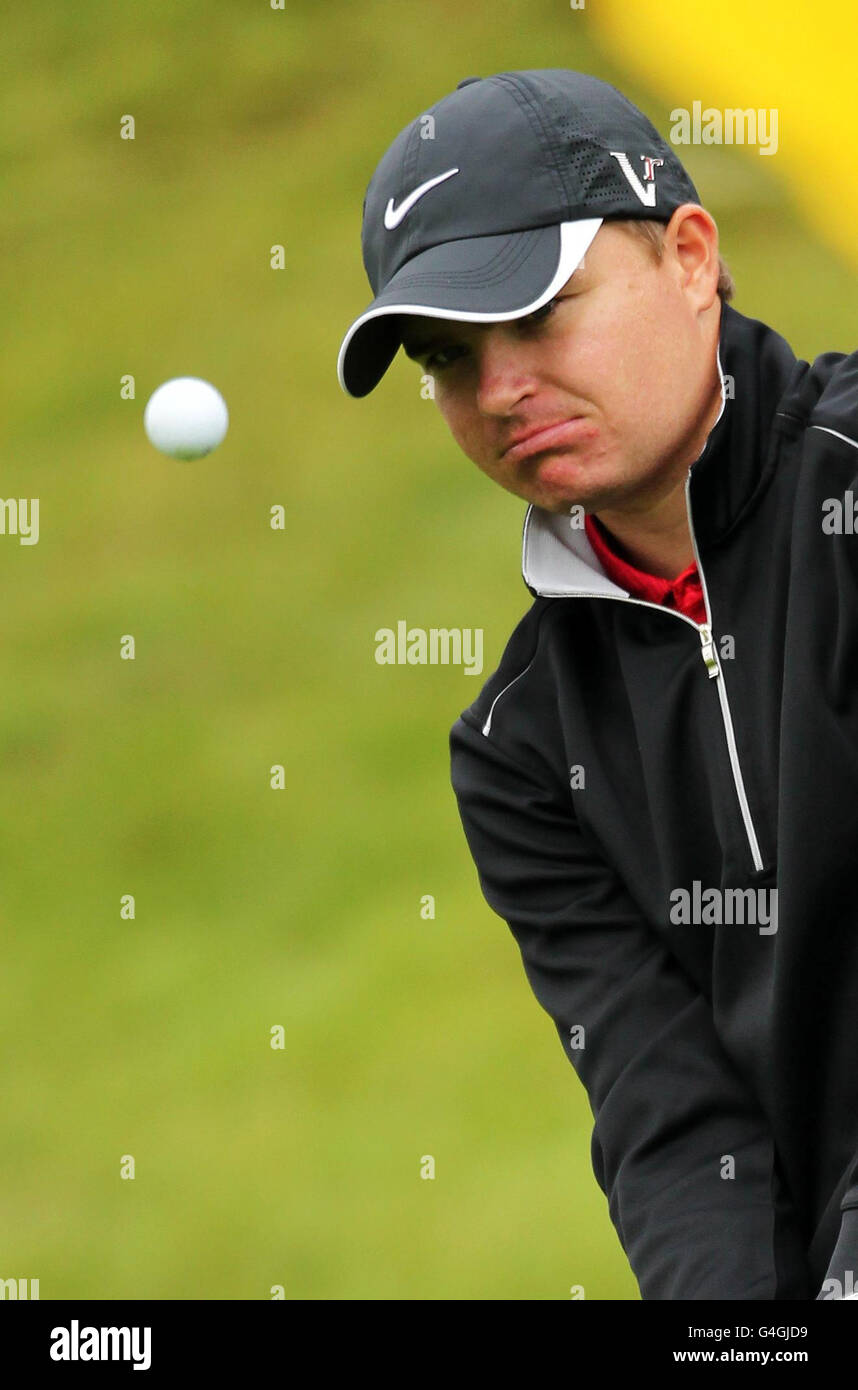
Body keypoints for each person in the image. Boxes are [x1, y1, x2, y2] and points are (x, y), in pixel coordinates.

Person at [336, 68, 858, 1301]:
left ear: (689, 258)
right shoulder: (520, 749)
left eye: (541, 314)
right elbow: (676, 1124)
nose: (499, 389)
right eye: (449, 358)